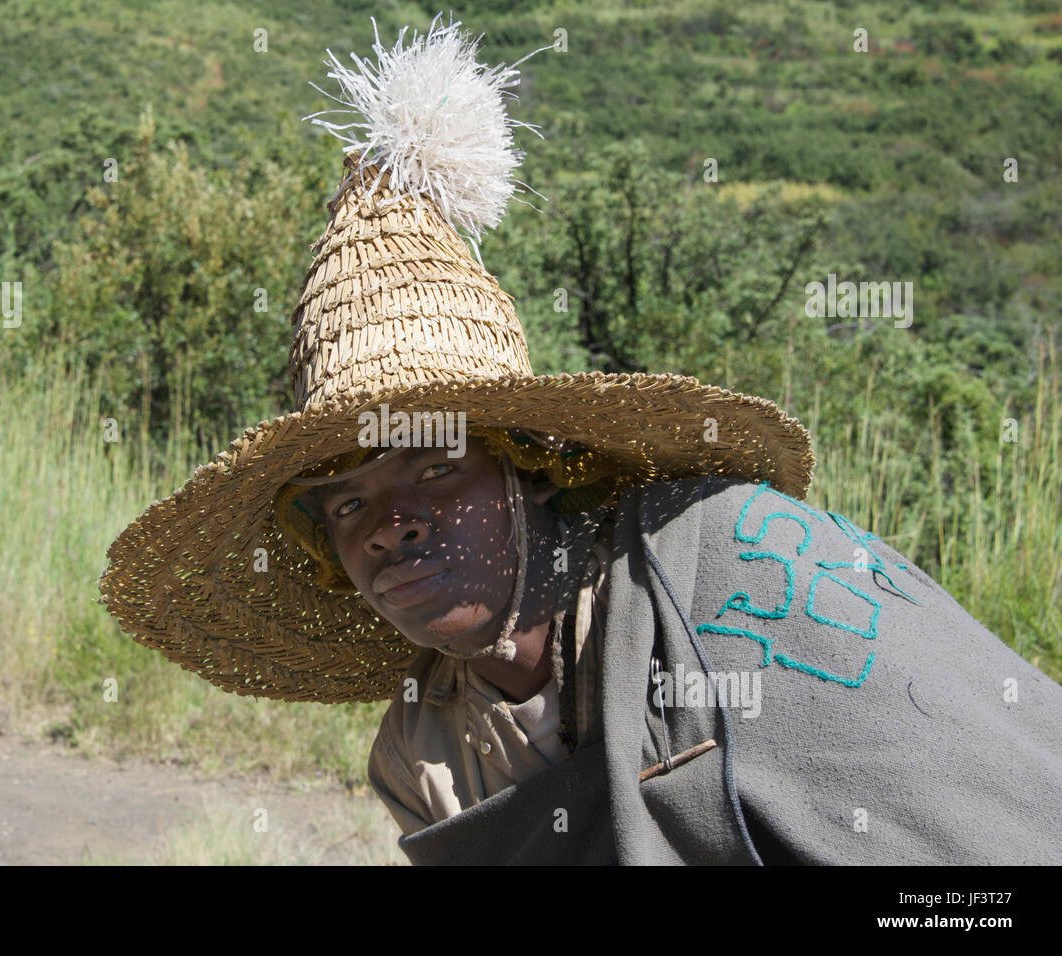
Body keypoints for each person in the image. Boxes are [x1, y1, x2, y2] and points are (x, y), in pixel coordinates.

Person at [98, 14, 1062, 864]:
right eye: (347, 503)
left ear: (535, 472)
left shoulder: (738, 576)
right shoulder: (424, 758)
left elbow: (983, 808)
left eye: (435, 467)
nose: (390, 526)